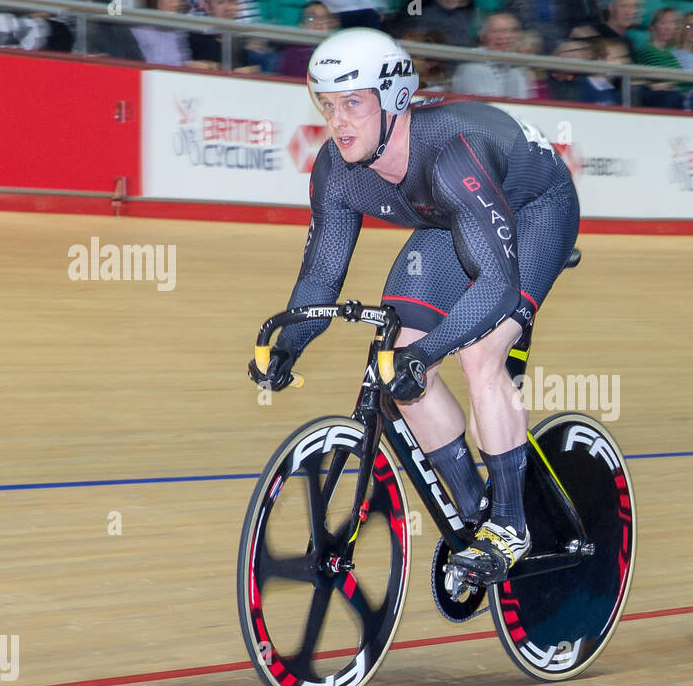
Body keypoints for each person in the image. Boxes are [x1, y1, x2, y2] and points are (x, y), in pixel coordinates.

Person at [248, 29, 580, 586]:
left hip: (534, 212)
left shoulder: (451, 152)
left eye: (353, 103)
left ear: (394, 99)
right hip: (452, 217)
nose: (339, 121)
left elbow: (496, 284)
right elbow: (322, 273)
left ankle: (511, 526)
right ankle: (475, 510)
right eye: (328, 105)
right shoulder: (337, 169)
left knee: (479, 355)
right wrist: (288, 345)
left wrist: (430, 352)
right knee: (394, 353)